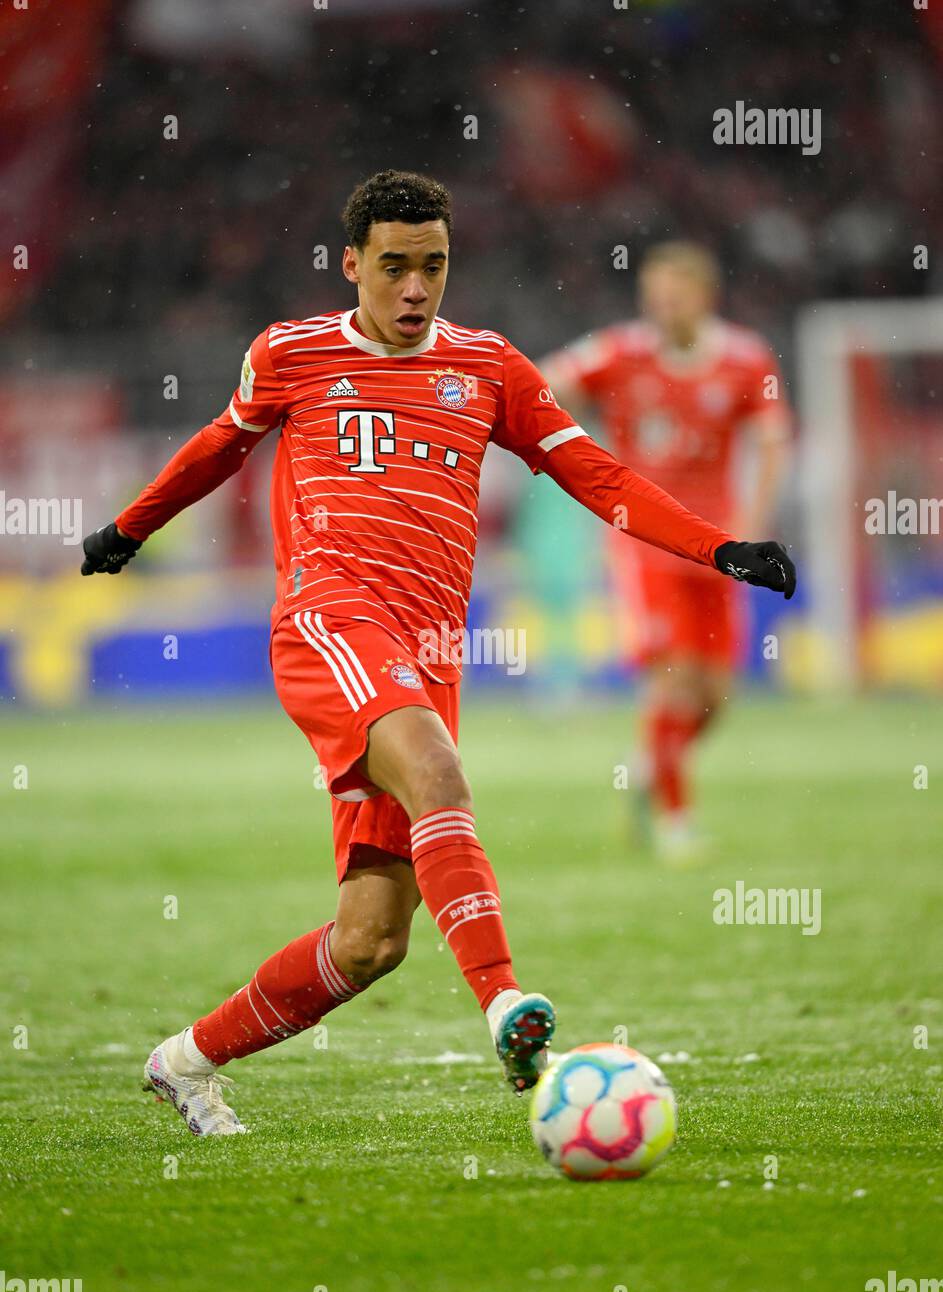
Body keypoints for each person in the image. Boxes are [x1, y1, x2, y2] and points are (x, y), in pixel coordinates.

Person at [81, 173, 795, 1136]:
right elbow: (218, 445)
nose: (416, 289)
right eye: (394, 268)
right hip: (328, 622)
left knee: (371, 941)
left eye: (433, 266)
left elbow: (597, 473)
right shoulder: (291, 353)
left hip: (427, 655)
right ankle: (506, 1007)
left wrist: (719, 546)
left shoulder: (490, 367)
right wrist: (129, 529)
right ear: (352, 266)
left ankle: (185, 1062)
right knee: (438, 774)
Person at [541, 243, 791, 861]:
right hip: (645, 541)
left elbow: (773, 438)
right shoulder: (619, 351)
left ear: (705, 297)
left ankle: (650, 763)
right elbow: (539, 385)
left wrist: (755, 520)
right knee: (673, 683)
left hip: (716, 544)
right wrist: (573, 446)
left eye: (673, 297)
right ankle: (675, 822)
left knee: (716, 694)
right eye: (652, 296)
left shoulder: (743, 358)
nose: (660, 308)